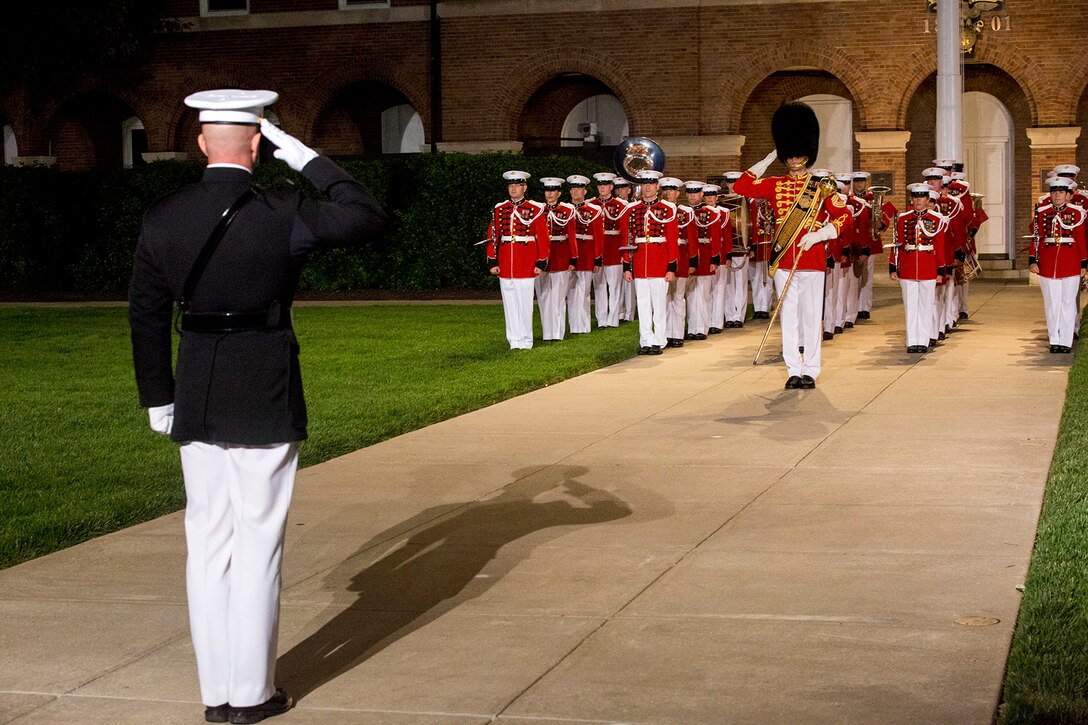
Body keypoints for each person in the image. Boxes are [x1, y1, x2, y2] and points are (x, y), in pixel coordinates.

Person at [129, 89, 387, 724]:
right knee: (258, 544)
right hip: (264, 383)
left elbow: (146, 313)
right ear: (256, 144)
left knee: (207, 541)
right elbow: (364, 213)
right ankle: (251, 695)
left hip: (196, 387)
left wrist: (158, 395)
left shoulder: (165, 216)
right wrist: (302, 155)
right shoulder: (282, 211)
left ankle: (216, 694)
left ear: (199, 144)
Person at [733, 102, 850, 390]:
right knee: (788, 316)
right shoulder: (773, 184)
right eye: (789, 152)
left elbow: (844, 216)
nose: (795, 158)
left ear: (808, 153)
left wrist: (821, 234)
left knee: (811, 316)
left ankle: (811, 369)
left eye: (798, 152)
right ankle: (792, 370)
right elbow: (741, 187)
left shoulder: (822, 185)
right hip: (784, 259)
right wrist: (769, 157)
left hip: (811, 258)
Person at [486, 170, 551, 349]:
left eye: (517, 186)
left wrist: (541, 261)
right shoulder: (500, 209)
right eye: (510, 186)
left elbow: (543, 238)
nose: (513, 189)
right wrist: (492, 260)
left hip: (526, 260)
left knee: (524, 302)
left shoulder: (535, 209)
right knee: (509, 303)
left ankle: (526, 340)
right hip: (506, 260)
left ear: (525, 187)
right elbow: (493, 236)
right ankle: (514, 340)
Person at [1029, 176, 1088, 353]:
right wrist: (1033, 259)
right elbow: (1037, 238)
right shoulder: (1043, 211)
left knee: (1068, 303)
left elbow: (1080, 239)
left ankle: (1066, 341)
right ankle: (1054, 339)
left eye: (1061, 192)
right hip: (1047, 262)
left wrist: (1084, 262)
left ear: (1069, 195)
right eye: (1054, 192)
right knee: (1051, 303)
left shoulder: (1077, 213)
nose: (1057, 196)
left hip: (1070, 261)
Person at [623, 169, 679, 354]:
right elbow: (628, 240)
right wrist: (627, 266)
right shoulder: (632, 210)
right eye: (644, 183)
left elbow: (672, 240)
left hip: (659, 262)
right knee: (643, 304)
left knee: (659, 305)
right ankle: (645, 340)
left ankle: (659, 340)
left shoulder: (667, 209)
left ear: (657, 186)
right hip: (639, 262)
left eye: (651, 183)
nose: (647, 187)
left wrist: (671, 266)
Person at [891, 183, 949, 353]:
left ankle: (922, 341)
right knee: (910, 306)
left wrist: (940, 270)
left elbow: (939, 245)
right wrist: (893, 267)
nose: (918, 200)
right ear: (912, 199)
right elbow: (898, 244)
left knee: (925, 306)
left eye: (922, 197)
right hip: (908, 266)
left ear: (927, 199)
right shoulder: (904, 218)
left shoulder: (936, 219)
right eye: (916, 197)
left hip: (928, 265)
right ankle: (912, 341)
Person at [537, 177, 577, 341]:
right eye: (547, 190)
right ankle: (547, 332)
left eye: (553, 190)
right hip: (544, 257)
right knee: (543, 296)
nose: (550, 194)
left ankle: (557, 333)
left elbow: (572, 236)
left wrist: (573, 258)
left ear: (559, 193)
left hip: (560, 255)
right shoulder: (538, 210)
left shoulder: (567, 211)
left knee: (559, 297)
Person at [589, 172, 628, 328]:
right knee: (599, 287)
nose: (603, 187)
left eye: (606, 185)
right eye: (600, 185)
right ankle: (601, 320)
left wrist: (623, 254)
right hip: (598, 250)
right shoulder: (591, 204)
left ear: (612, 186)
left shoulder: (621, 205)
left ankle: (613, 319)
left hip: (614, 249)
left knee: (615, 287)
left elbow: (624, 232)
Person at [567, 174, 604, 334]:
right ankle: (573, 325)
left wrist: (597, 259)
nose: (576, 192)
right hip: (568, 253)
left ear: (585, 191)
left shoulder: (593, 210)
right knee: (570, 291)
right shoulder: (565, 210)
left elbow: (598, 236)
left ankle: (583, 326)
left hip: (586, 252)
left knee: (583, 290)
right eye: (573, 189)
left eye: (579, 189)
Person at [686, 183, 722, 340]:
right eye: (689, 193)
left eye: (695, 194)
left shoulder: (711, 213)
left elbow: (716, 236)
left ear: (701, 195)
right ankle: (692, 327)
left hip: (705, 254)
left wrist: (715, 258)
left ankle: (702, 328)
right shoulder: (682, 212)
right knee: (690, 295)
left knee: (704, 294)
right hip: (688, 255)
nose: (692, 196)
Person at [661, 177, 694, 347]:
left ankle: (678, 334)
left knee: (678, 297)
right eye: (665, 190)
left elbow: (692, 239)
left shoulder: (685, 212)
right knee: (665, 298)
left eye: (671, 190)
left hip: (681, 254)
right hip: (662, 255)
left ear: (677, 193)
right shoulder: (659, 211)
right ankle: (666, 334)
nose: (668, 193)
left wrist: (693, 261)